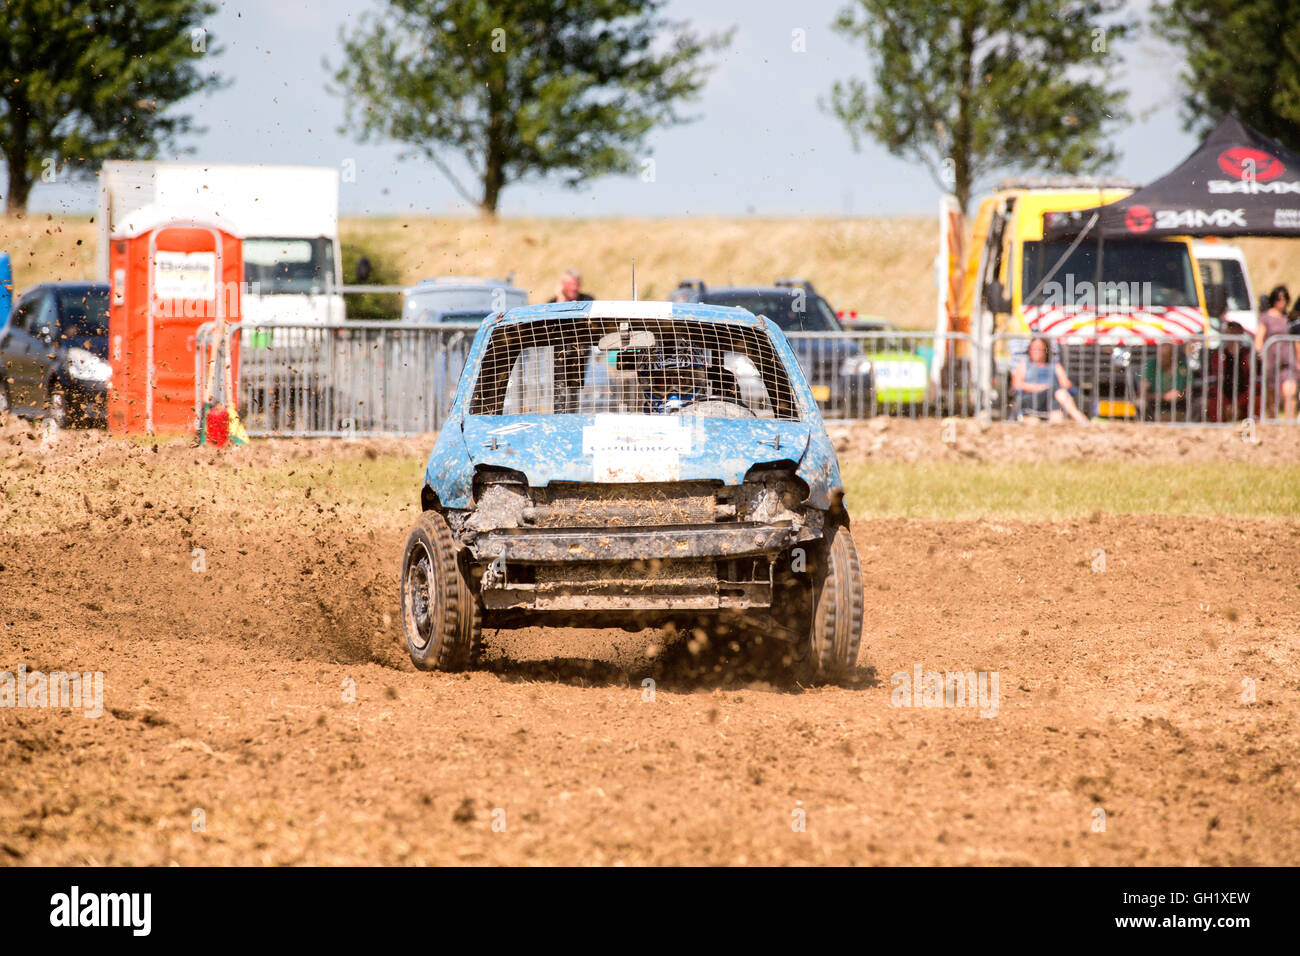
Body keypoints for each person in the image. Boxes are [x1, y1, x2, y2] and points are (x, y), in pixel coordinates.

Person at [1011, 337, 1089, 424]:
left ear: (1045, 350)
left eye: (1039, 349)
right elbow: (1017, 385)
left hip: (1053, 397)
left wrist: (1058, 387)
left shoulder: (1054, 365)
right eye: (1033, 348)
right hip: (1032, 398)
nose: (1035, 351)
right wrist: (1039, 387)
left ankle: (1057, 421)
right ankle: (1078, 417)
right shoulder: (1024, 364)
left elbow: (1065, 383)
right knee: (1054, 390)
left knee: (1055, 391)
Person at [1256, 284, 1298, 420]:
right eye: (1279, 299)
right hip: (1271, 360)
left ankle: (1290, 423)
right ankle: (1271, 423)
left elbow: (1296, 341)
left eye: (1285, 299)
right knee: (1271, 395)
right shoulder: (1266, 317)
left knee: (1290, 391)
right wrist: (1259, 352)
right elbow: (1259, 338)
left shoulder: (1288, 318)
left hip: (1288, 359)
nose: (1282, 302)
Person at [1138, 341, 1192, 421]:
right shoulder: (1151, 364)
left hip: (1179, 404)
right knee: (1140, 403)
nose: (1161, 359)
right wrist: (1163, 396)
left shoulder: (1182, 366)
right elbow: (1142, 391)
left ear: (1172, 356)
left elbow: (1180, 393)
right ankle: (1148, 424)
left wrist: (1176, 395)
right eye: (1159, 356)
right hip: (1154, 403)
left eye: (1164, 356)